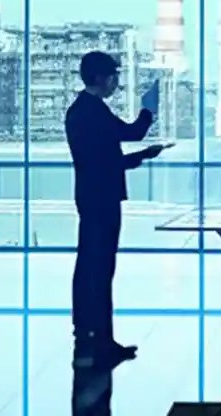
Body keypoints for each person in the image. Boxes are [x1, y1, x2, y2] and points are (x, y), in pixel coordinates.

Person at [65, 51, 169, 368]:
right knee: (100, 269)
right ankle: (99, 339)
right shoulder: (93, 111)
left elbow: (103, 161)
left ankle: (89, 335)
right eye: (112, 76)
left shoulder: (81, 111)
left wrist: (142, 156)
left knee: (90, 266)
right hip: (103, 199)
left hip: (91, 195)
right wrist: (149, 110)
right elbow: (130, 133)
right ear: (99, 78)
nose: (115, 82)